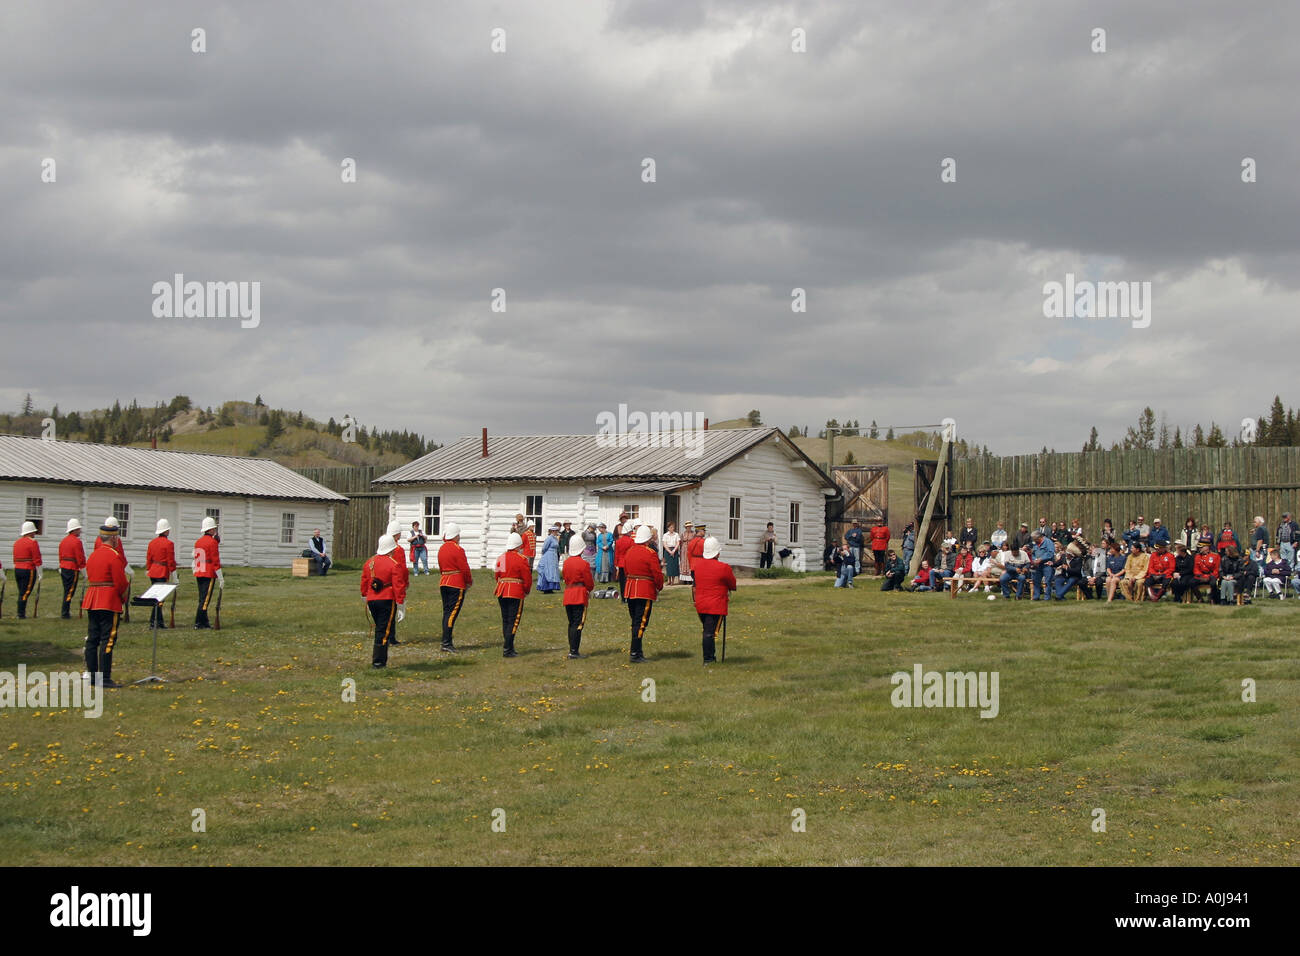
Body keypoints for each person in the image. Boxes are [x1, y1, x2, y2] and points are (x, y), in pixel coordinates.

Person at [81, 521, 130, 687]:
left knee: (92, 639)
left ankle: (93, 676)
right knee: (107, 640)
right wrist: (123, 599)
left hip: (92, 599)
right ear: (114, 538)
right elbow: (121, 583)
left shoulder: (93, 555)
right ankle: (105, 677)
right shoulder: (114, 555)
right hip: (108, 600)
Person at [361, 534, 407, 668]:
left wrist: (365, 597)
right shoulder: (394, 564)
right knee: (383, 631)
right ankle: (378, 663)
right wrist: (401, 603)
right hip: (386, 599)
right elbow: (398, 585)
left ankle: (378, 661)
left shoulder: (369, 562)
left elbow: (364, 582)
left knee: (380, 629)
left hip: (371, 599)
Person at [623, 524, 664, 663]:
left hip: (630, 589)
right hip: (644, 590)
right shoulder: (650, 553)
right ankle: (635, 653)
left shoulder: (629, 551)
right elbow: (657, 574)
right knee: (640, 623)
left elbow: (626, 571)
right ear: (647, 539)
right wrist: (659, 586)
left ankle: (637, 651)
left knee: (635, 622)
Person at [692, 536, 736, 664]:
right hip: (716, 605)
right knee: (709, 633)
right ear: (717, 552)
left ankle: (710, 657)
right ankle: (709, 658)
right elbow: (732, 584)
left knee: (707, 631)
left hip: (701, 604)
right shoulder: (723, 567)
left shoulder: (698, 567)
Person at [494, 532, 532, 657]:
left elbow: (497, 575)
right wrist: (526, 590)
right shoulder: (522, 559)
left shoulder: (502, 558)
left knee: (505, 620)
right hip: (515, 591)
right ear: (518, 546)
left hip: (502, 589)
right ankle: (507, 648)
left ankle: (509, 646)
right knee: (513, 621)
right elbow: (527, 577)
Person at [436, 523, 472, 652]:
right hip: (456, 583)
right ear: (456, 536)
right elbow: (464, 568)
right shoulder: (458, 549)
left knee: (447, 613)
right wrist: (468, 581)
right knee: (451, 614)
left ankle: (445, 641)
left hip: (444, 581)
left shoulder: (441, 548)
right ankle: (446, 643)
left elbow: (441, 566)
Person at [561, 534, 594, 658]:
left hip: (568, 593)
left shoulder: (566, 563)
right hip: (579, 594)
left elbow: (565, 576)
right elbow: (589, 582)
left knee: (571, 623)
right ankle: (574, 651)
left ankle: (572, 650)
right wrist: (589, 589)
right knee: (578, 623)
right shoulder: (583, 564)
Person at [145, 518, 178, 628]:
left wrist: (148, 569)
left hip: (153, 571)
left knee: (156, 598)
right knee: (159, 600)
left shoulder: (152, 543)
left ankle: (158, 621)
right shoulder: (169, 544)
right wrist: (174, 574)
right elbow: (170, 561)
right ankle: (154, 621)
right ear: (165, 531)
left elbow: (149, 558)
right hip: (162, 572)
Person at [192, 515, 222, 629]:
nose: (215, 530)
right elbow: (215, 559)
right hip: (208, 572)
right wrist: (220, 576)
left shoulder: (198, 542)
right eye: (214, 528)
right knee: (205, 600)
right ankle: (199, 622)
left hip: (199, 571)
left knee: (202, 598)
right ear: (210, 529)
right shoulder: (212, 542)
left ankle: (204, 622)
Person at [12, 520, 42, 619]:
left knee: (21, 591)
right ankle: (20, 614)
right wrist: (40, 572)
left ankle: (20, 612)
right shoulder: (33, 543)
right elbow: (37, 558)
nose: (34, 533)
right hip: (28, 569)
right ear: (29, 532)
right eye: (33, 531)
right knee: (25, 592)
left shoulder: (17, 542)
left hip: (17, 569)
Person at [58, 518, 87, 619]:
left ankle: (65, 611)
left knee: (67, 590)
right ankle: (65, 612)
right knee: (70, 591)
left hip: (63, 567)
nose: (80, 531)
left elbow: (61, 555)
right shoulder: (77, 542)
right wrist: (84, 571)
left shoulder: (63, 541)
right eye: (78, 529)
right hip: (72, 568)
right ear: (74, 530)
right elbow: (80, 558)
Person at [536, 523, 562, 593]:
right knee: (548, 570)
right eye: (555, 531)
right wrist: (545, 555)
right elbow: (544, 548)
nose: (557, 532)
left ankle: (551, 587)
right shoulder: (549, 538)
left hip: (554, 556)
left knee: (553, 571)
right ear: (552, 531)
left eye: (557, 531)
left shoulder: (555, 538)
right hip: (548, 556)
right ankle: (546, 587)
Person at [1030, 532, 1055, 601]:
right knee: (1036, 581)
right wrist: (1034, 560)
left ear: (1039, 538)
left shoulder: (1048, 542)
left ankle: (1047, 598)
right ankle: (1036, 597)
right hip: (1037, 565)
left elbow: (1050, 553)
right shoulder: (1035, 544)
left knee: (1047, 582)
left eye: (1035, 539)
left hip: (1047, 565)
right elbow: (1033, 553)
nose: (1034, 541)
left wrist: (1041, 559)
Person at [614, 521, 634, 602]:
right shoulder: (631, 541)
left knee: (622, 582)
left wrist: (616, 564)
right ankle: (628, 597)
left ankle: (623, 598)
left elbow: (616, 554)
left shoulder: (618, 541)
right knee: (628, 581)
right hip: (628, 563)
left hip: (621, 563)